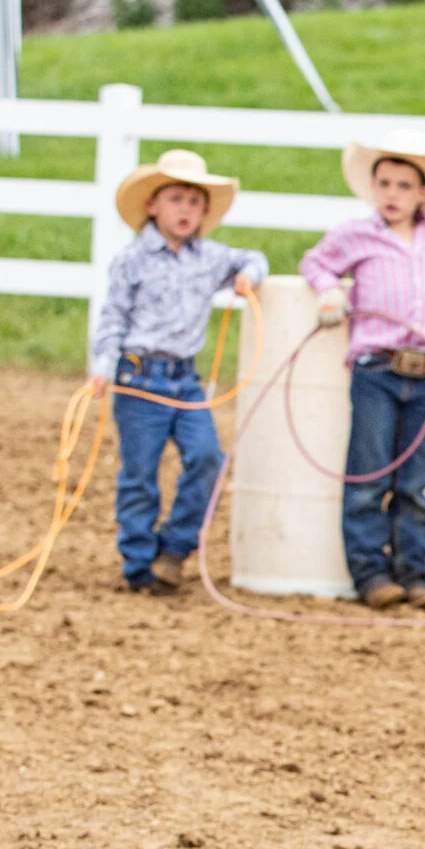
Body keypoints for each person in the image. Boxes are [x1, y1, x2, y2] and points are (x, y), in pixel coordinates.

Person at [88, 150, 267, 595]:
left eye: (193, 201)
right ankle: (138, 562)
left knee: (207, 457)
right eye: (175, 199)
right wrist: (102, 367)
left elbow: (253, 258)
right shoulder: (131, 260)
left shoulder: (210, 257)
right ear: (152, 205)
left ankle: (174, 548)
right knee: (139, 473)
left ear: (204, 211)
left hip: (184, 380)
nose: (185, 210)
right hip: (138, 377)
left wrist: (247, 275)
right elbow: (113, 316)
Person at [300, 128, 425, 610]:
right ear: (373, 188)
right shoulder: (357, 235)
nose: (393, 194)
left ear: (423, 193)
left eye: (404, 186)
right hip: (378, 369)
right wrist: (329, 291)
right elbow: (317, 263)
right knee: (370, 475)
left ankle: (413, 574)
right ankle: (371, 574)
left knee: (414, 479)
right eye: (385, 184)